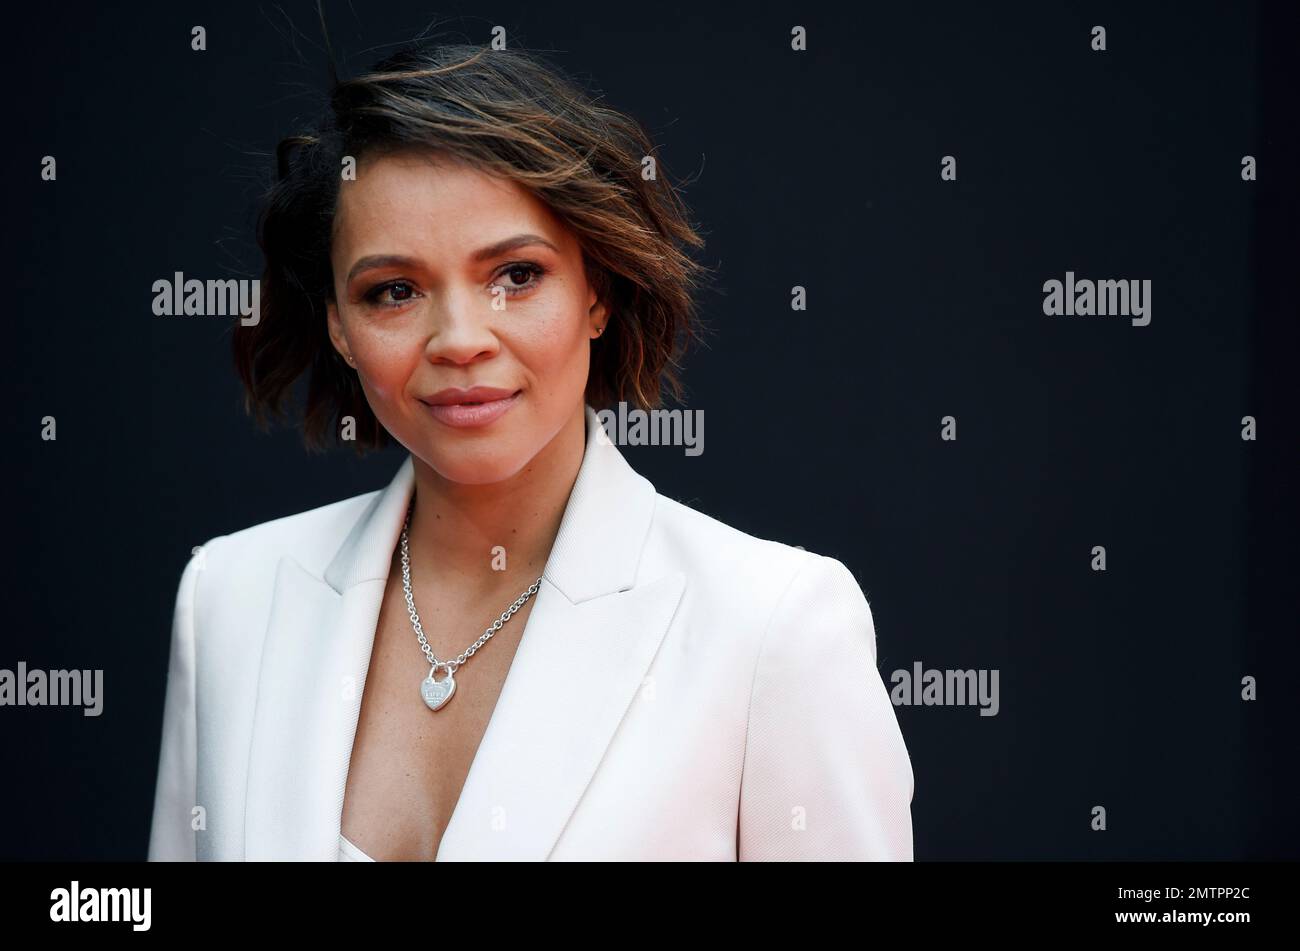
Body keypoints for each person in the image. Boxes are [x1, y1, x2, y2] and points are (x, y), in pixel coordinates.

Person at [146, 40, 914, 862]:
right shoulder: (228, 598)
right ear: (338, 323)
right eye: (393, 291)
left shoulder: (774, 628)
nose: (460, 339)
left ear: (597, 292)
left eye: (515, 274)